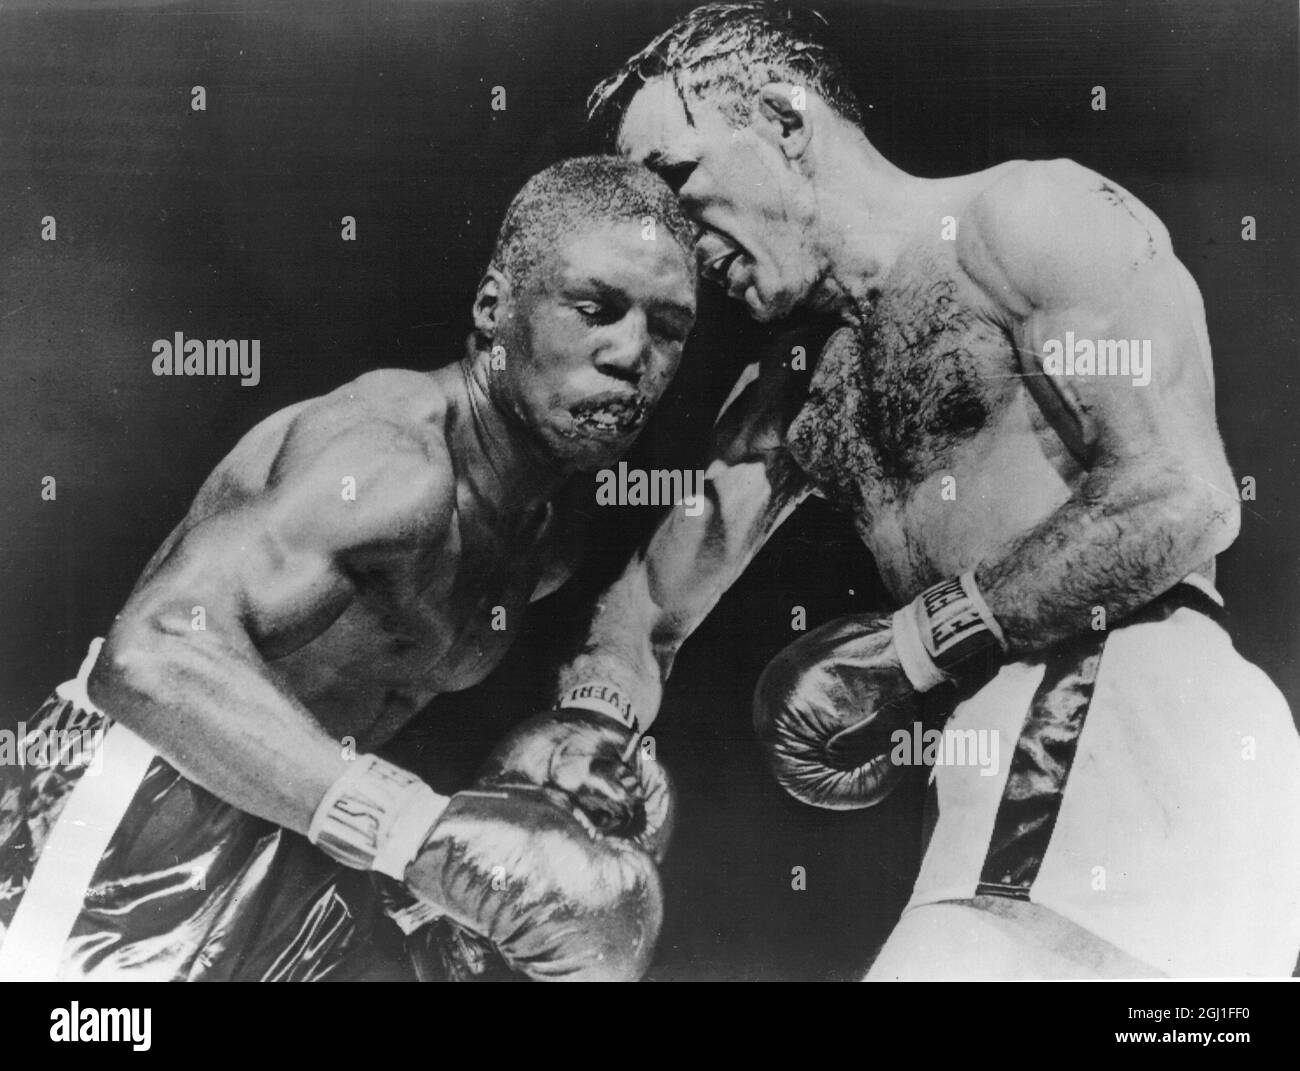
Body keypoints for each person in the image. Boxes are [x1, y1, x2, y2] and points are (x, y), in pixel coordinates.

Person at [516, 3, 1300, 978]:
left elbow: (1180, 498)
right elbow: (641, 612)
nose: (676, 240)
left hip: (1119, 704)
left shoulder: (1024, 220)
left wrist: (907, 650)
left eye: (680, 182)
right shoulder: (787, 395)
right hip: (1025, 760)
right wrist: (586, 740)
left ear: (785, 121)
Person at [0, 155, 693, 982]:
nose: (632, 352)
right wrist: (412, 834)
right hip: (119, 817)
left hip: (287, 834)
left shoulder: (547, 534)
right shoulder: (394, 459)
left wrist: (573, 760)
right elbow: (147, 655)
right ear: (493, 305)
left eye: (669, 328)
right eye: (596, 307)